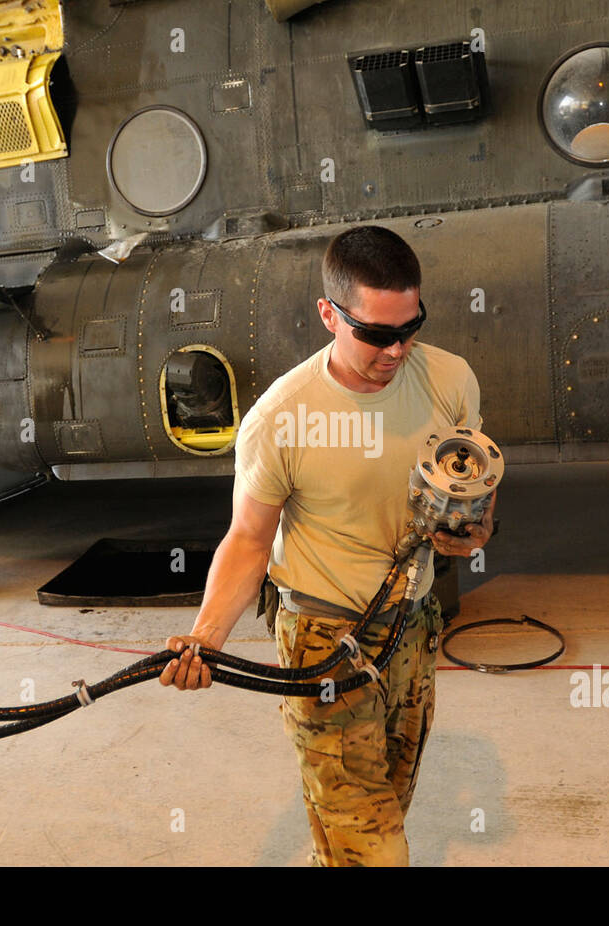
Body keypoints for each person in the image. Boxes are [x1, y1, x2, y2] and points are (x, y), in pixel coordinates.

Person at [159, 225, 494, 866]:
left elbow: (472, 476)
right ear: (329, 315)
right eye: (376, 334)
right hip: (323, 638)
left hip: (413, 628)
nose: (397, 350)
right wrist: (205, 637)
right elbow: (249, 540)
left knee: (380, 812)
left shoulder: (450, 380)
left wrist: (473, 524)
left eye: (410, 326)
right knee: (374, 851)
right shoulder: (283, 417)